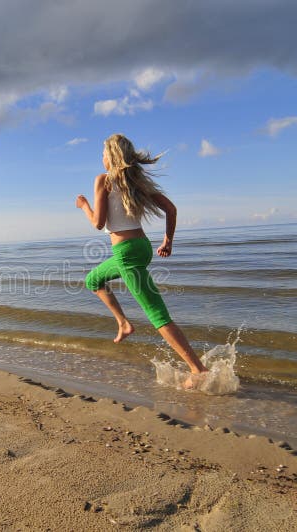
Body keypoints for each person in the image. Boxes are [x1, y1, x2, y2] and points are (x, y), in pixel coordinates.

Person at [76, 133, 208, 383]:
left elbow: (98, 223)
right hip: (141, 247)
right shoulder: (136, 182)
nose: (102, 158)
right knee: (93, 280)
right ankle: (124, 324)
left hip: (126, 254)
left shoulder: (103, 180)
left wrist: (84, 205)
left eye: (103, 153)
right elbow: (171, 209)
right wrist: (168, 240)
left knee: (157, 315)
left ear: (111, 156)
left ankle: (197, 370)